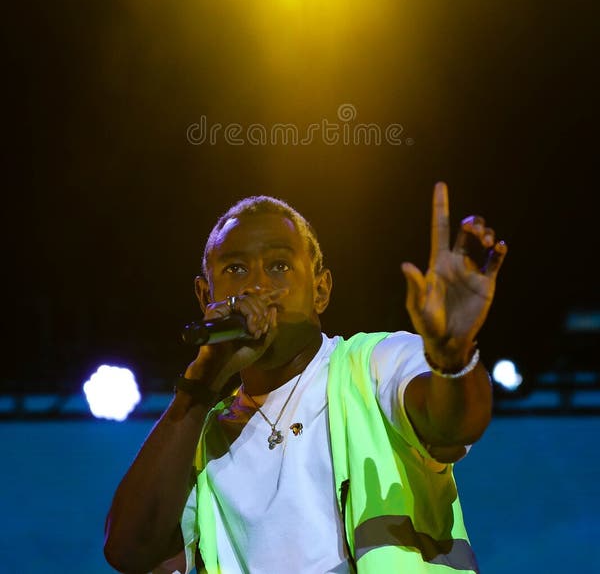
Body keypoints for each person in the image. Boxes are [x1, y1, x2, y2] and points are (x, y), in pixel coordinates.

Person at [104, 181, 507, 574]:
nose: (257, 284)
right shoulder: (197, 438)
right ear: (204, 294)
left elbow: (454, 426)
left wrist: (453, 360)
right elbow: (130, 552)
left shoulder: (373, 363)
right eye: (235, 268)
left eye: (279, 266)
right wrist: (197, 388)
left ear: (320, 290)